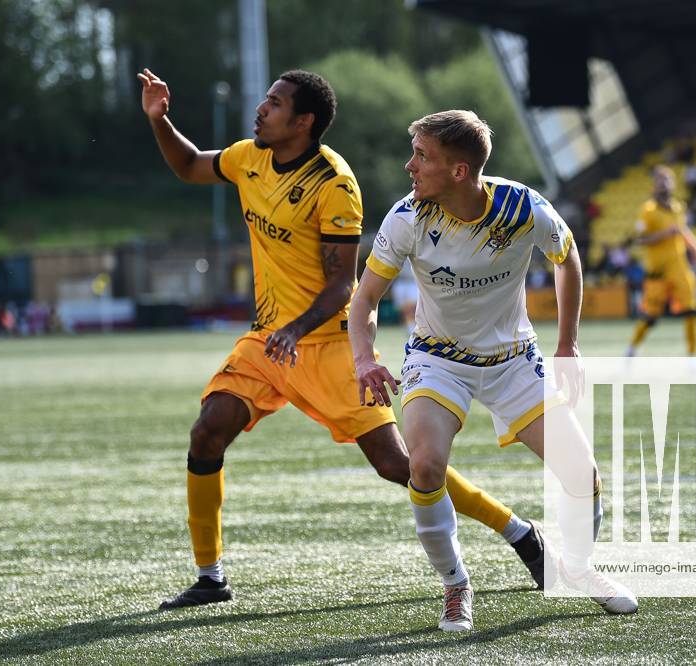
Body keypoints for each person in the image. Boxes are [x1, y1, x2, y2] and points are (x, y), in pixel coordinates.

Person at [137, 69, 548, 609]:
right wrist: (159, 120)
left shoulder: (335, 185)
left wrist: (296, 328)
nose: (261, 109)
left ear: (303, 121)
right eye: (266, 100)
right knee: (207, 432)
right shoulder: (248, 158)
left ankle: (518, 531)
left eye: (274, 103)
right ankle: (211, 578)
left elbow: (342, 285)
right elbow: (190, 165)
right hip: (267, 344)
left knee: (399, 466)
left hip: (327, 345)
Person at [350, 110, 637, 632]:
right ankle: (456, 585)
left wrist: (568, 346)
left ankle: (577, 567)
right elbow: (365, 298)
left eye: (422, 156)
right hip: (437, 362)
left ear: (459, 171)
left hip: (513, 363)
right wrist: (365, 357)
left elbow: (567, 259)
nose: (408, 165)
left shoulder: (523, 208)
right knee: (426, 467)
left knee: (582, 475)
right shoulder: (407, 217)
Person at [625, 165, 696, 357]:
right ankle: (631, 350)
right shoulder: (648, 210)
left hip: (679, 267)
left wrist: (694, 245)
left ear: (674, 183)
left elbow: (681, 230)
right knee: (650, 317)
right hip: (657, 271)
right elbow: (640, 239)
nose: (664, 184)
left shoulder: (678, 207)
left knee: (691, 310)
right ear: (655, 185)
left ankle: (693, 359)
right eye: (660, 181)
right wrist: (664, 234)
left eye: (668, 180)